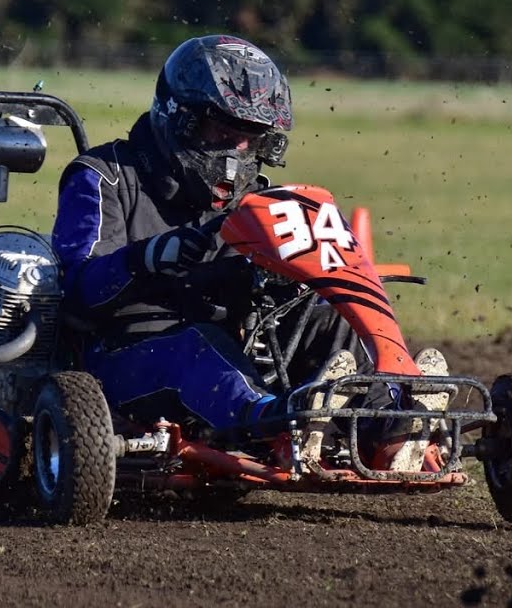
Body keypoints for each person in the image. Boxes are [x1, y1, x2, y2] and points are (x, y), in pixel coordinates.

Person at [50, 35, 373, 455]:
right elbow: (76, 292)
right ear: (178, 118)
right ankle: (276, 422)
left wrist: (294, 274)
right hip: (121, 360)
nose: (237, 151)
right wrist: (147, 258)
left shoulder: (259, 201)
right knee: (199, 344)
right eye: (222, 130)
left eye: (250, 137)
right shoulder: (103, 176)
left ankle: (392, 423)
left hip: (234, 351)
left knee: (331, 315)